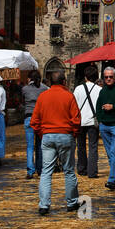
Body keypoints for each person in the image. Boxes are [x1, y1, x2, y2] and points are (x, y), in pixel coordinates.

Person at [30, 67, 81, 215]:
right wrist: (73, 134)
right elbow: (76, 120)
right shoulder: (69, 96)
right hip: (65, 135)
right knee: (69, 171)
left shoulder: (43, 96)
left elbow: (34, 121)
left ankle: (44, 205)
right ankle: (71, 202)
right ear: (64, 81)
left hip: (48, 136)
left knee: (46, 172)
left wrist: (42, 133)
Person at [73, 70, 101, 178]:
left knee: (81, 146)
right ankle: (92, 171)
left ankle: (82, 169)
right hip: (93, 121)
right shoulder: (99, 89)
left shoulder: (78, 89)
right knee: (93, 146)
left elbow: (74, 104)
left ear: (85, 77)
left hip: (80, 120)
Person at [22, 70, 45, 178]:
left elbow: (22, 101)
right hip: (40, 119)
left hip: (29, 118)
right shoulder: (44, 88)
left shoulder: (25, 89)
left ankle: (30, 170)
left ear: (29, 78)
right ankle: (40, 169)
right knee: (40, 145)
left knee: (30, 146)